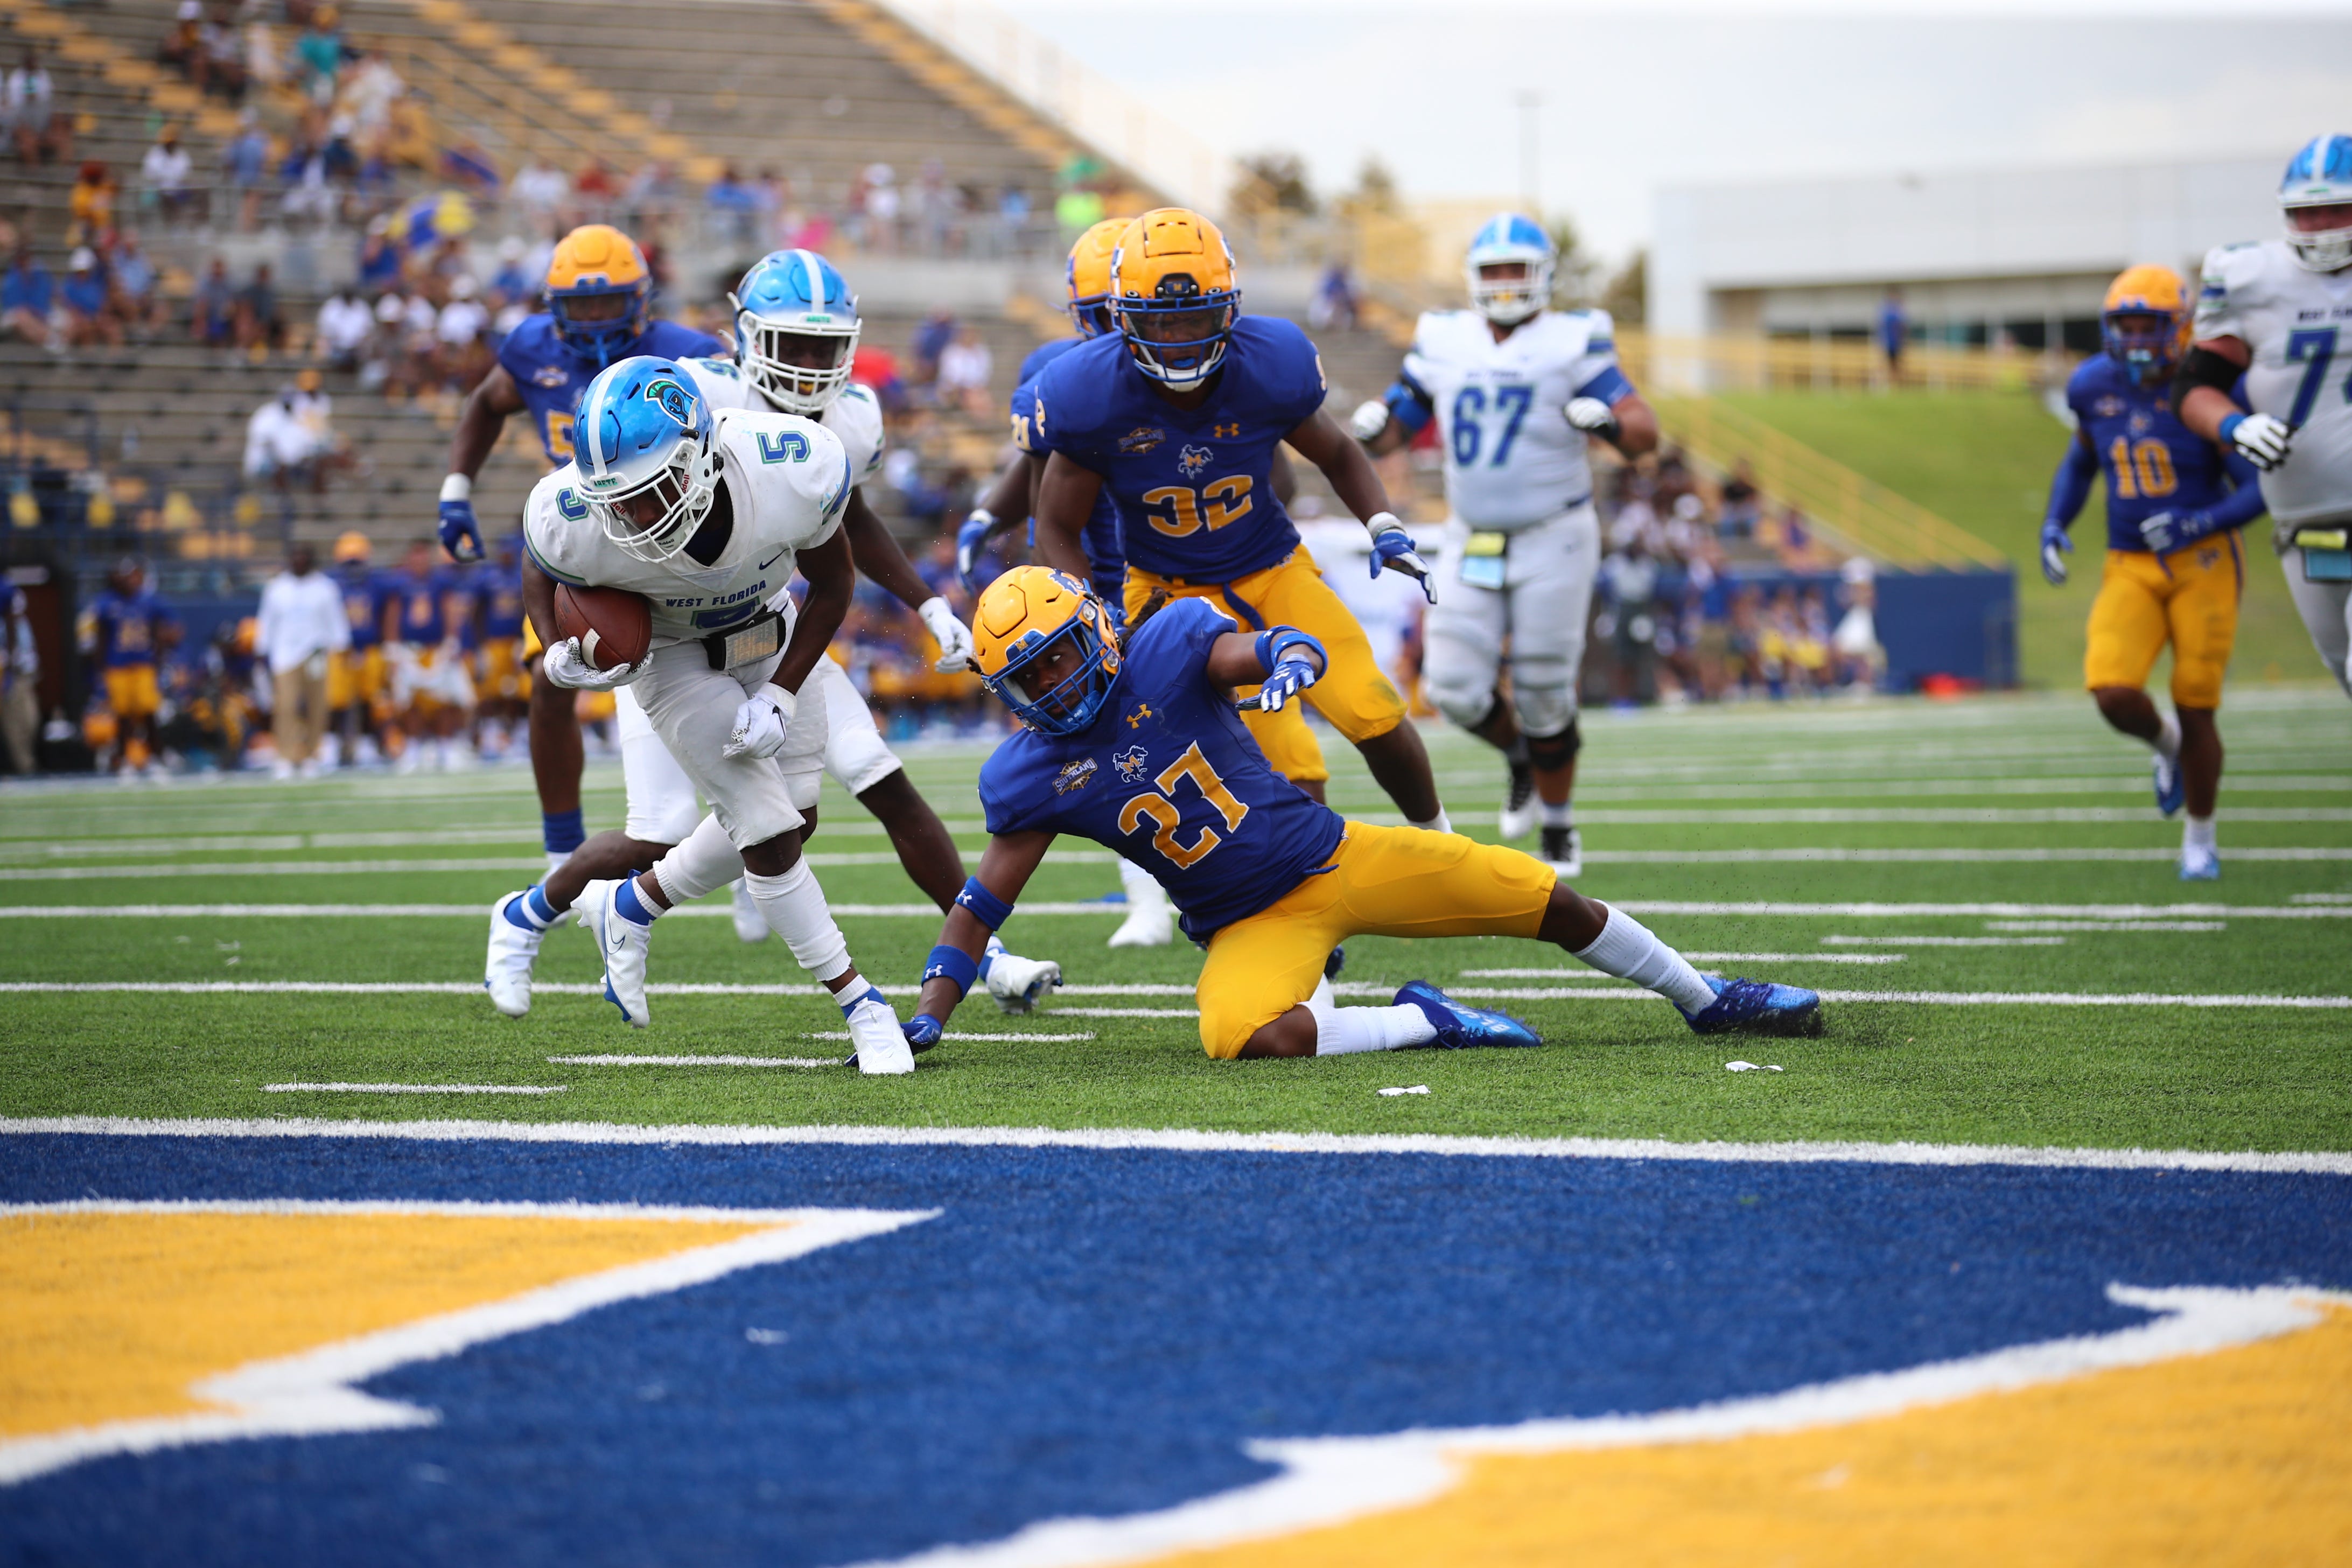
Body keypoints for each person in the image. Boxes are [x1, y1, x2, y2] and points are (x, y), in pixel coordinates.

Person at [895, 567, 1823, 1062]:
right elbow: (980, 906)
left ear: (1095, 629)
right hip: (1247, 923)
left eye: (1060, 655)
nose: (1056, 683)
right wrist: (933, 1011)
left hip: (1335, 857)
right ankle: (1425, 1022)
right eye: (1032, 676)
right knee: (1241, 1037)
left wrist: (1293, 660)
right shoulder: (1030, 773)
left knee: (1541, 898)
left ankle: (1705, 998)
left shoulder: (1168, 646)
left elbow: (1266, 645)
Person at [486, 251, 1058, 1013]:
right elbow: (595, 501)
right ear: (748, 337)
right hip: (662, 641)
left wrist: (926, 605)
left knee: (869, 780)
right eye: (794, 345)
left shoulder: (842, 427)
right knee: (662, 832)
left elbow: (847, 527)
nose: (810, 367)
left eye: (825, 348)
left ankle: (985, 957)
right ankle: (528, 915)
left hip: (767, 626)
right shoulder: (695, 395)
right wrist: (561, 638)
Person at [500, 355, 914, 1074]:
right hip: (669, 654)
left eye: (650, 494)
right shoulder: (572, 511)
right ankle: (862, 1004)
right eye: (617, 503)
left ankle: (632, 906)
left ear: (699, 456)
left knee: (798, 816)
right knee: (769, 831)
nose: (632, 518)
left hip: (770, 632)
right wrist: (552, 643)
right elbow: (542, 560)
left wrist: (783, 692)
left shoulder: (789, 469)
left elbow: (835, 584)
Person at [1027, 207, 1450, 836]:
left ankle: (1442, 841)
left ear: (1229, 310)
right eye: (1160, 322)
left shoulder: (1270, 361)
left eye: (1196, 318)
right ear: (1124, 318)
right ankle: (1248, 879)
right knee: (1225, 757)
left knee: (1370, 707)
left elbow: (1337, 452)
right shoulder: (1090, 391)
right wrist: (1091, 611)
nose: (1180, 339)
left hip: (1274, 571)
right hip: (1166, 594)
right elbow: (1056, 524)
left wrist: (1383, 523)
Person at [1353, 214, 1657, 874]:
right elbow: (1397, 427)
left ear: (1544, 275)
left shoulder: (1573, 338)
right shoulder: (1445, 337)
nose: (1506, 283)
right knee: (1451, 686)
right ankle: (1521, 756)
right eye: (1494, 271)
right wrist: (1377, 426)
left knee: (1545, 684)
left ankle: (1559, 826)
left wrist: (1607, 423)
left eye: (1518, 269)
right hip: (1473, 535)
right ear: (1473, 277)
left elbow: (1643, 432)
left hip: (1555, 532)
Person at [437, 223, 722, 869]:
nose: (594, 319)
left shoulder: (688, 355)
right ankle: (561, 847)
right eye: (580, 305)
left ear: (640, 299)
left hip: (675, 537)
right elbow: (486, 403)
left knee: (716, 678)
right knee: (549, 680)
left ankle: (738, 835)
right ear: (554, 307)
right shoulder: (533, 349)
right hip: (584, 542)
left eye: (607, 302)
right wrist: (456, 489)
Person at [960, 219, 1177, 947]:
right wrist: (986, 515)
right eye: (1101, 317)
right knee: (1099, 738)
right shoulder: (1059, 375)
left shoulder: (1196, 375)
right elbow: (1034, 472)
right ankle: (1146, 900)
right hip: (1088, 580)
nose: (1114, 332)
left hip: (1178, 568)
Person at [2039, 265, 2266, 880]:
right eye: (2127, 326)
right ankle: (2168, 748)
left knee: (2196, 701)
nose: (2137, 340)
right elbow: (2081, 461)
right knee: (2112, 691)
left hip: (2204, 561)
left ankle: (2200, 838)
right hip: (2130, 560)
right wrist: (2055, 521)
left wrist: (2198, 523)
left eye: (2150, 326)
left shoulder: (2207, 388)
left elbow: (2258, 488)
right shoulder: (2092, 384)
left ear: (2182, 327)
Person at [2174, 133, 2352, 701]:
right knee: (2343, 664)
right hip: (2307, 519)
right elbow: (2195, 387)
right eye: (2307, 212)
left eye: (2336, 209)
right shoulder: (2250, 276)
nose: (2320, 226)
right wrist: (2236, 426)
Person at [379, 539, 475, 772]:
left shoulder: (440, 582)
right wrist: (392, 650)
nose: (420, 561)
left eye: (423, 555)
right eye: (416, 555)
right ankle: (412, 747)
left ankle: (445, 746)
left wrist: (451, 643)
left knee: (444, 699)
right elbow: (392, 616)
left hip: (435, 649)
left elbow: (449, 611)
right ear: (408, 559)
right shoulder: (399, 584)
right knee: (409, 701)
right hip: (409, 652)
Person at [77, 558, 178, 775]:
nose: (129, 581)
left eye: (132, 576)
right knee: (122, 715)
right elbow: (100, 639)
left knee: (148, 712)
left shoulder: (149, 602)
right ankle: (122, 758)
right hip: (117, 666)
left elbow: (168, 630)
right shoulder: (105, 604)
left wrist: (159, 657)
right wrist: (100, 669)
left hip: (143, 664)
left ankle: (155, 755)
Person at [256, 541, 348, 778]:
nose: (299, 561)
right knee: (285, 706)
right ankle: (285, 757)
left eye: (303, 556)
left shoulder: (325, 587)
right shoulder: (277, 588)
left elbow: (336, 620)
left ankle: (312, 756)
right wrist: (262, 647)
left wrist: (341, 646)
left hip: (315, 653)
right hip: (285, 655)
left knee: (317, 706)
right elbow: (267, 620)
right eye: (295, 556)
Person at [325, 531, 384, 765]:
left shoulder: (376, 583)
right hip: (339, 651)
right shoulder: (329, 585)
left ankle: (367, 743)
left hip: (369, 649)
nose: (353, 567)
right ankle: (334, 743)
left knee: (372, 700)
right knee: (337, 701)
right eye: (349, 562)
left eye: (357, 561)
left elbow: (385, 615)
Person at [2, 579, 37, 775]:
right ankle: (25, 767)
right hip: (7, 678)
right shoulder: (4, 625)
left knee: (31, 720)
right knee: (14, 724)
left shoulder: (22, 623)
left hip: (25, 676)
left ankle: (27, 764)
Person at [2, 242, 55, 349]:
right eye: (21, 259)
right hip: (13, 315)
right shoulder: (11, 280)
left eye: (26, 258)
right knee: (22, 316)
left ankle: (48, 341)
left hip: (37, 315)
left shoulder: (39, 276)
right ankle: (50, 341)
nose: (24, 262)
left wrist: (35, 311)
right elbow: (13, 306)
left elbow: (44, 300)